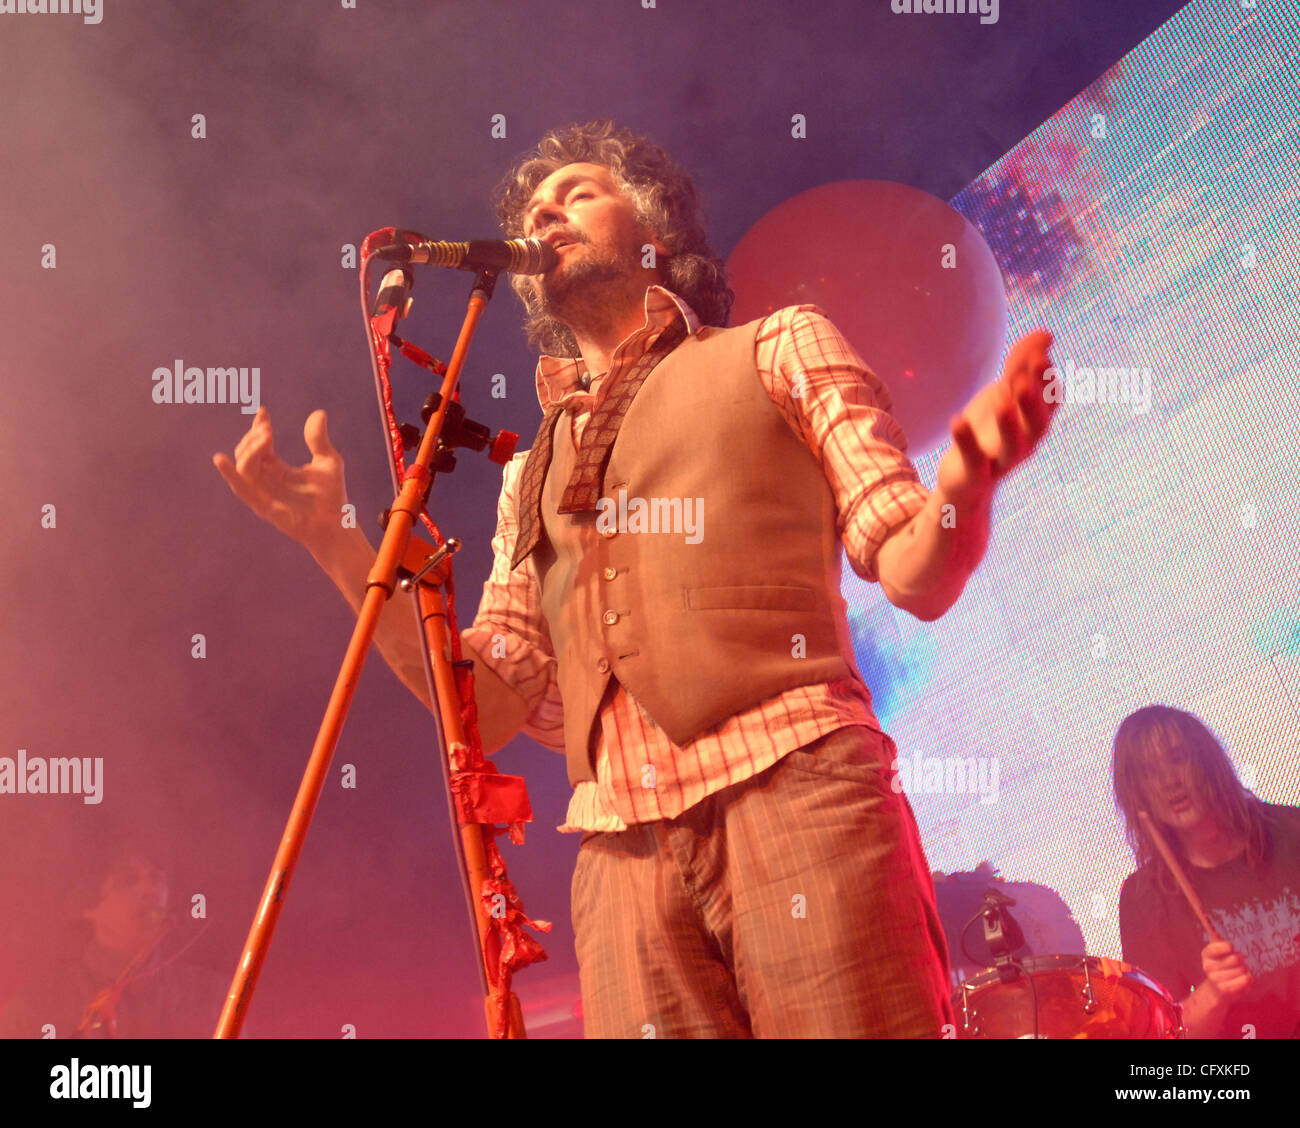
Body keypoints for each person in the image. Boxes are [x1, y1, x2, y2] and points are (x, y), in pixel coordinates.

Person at [214, 119, 1058, 1037]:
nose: (547, 209)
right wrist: (335, 544)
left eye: (579, 191)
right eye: (538, 204)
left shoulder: (779, 347)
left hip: (801, 795)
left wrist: (964, 489)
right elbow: (485, 710)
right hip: (619, 861)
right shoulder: (525, 477)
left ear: (656, 229)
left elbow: (911, 567)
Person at [1114, 704, 1300, 1038]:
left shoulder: (1293, 833)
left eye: (1177, 758)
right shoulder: (1143, 900)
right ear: (1138, 794)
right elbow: (1166, 1038)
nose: (1170, 782)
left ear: (1207, 760)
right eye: (1149, 773)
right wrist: (1215, 994)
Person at [0, 849, 224, 1038]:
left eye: (156, 879)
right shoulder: (36, 1006)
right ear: (87, 904)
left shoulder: (212, 996)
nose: (150, 891)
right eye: (127, 881)